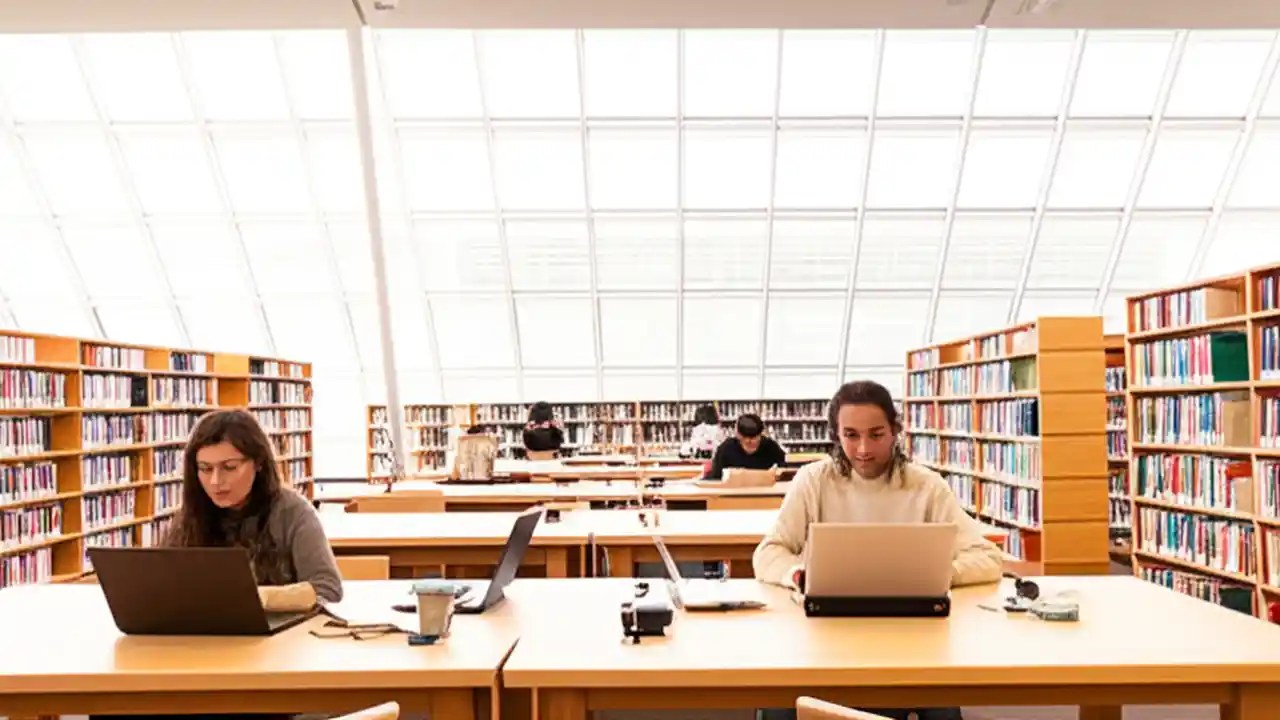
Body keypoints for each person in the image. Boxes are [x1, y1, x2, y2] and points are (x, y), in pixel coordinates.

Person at [753, 380, 1002, 720]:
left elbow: (987, 558)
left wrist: (939, 574)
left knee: (943, 700)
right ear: (835, 435)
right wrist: (797, 574)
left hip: (911, 634)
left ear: (896, 430)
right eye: (851, 435)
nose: (864, 448)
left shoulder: (926, 485)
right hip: (825, 632)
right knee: (776, 695)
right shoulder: (813, 481)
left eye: (876, 434)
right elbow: (769, 552)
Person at [164, 409, 342, 606]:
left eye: (229, 467)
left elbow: (328, 589)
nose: (215, 481)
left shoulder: (293, 513)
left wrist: (261, 598)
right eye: (205, 469)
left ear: (258, 463)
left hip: (282, 634)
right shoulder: (191, 516)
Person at [706, 413, 786, 480]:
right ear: (738, 434)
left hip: (764, 491)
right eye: (744, 437)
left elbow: (783, 469)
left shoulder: (771, 447)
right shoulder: (726, 448)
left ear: (761, 434)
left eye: (753, 437)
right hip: (732, 492)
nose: (748, 441)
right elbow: (716, 475)